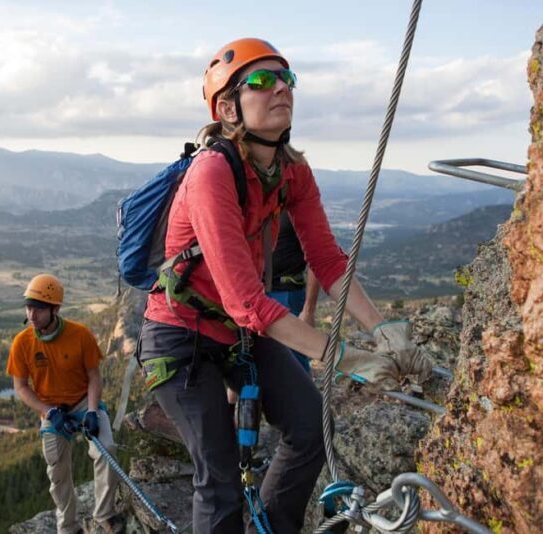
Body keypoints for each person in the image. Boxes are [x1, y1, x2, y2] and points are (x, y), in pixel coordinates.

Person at [138, 38, 433, 533]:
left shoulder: (291, 171)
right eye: (261, 81)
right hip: (179, 336)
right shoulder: (212, 172)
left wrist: (385, 331)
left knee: (310, 428)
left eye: (286, 79)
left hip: (235, 332)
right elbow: (247, 301)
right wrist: (349, 358)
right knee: (219, 477)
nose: (280, 88)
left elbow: (328, 260)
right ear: (228, 107)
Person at [6, 274, 124, 534]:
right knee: (58, 472)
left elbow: (94, 376)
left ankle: (104, 514)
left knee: (107, 449)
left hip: (84, 403)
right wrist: (48, 412)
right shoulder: (22, 343)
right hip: (51, 409)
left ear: (55, 309)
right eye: (29, 307)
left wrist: (92, 411)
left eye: (39, 308)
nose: (32, 314)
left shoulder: (79, 335)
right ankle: (68, 527)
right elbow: (21, 387)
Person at [267, 210, 320, 373]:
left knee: (294, 361)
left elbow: (316, 258)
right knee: (250, 358)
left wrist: (308, 310)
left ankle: (305, 397)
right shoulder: (255, 204)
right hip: (255, 294)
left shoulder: (293, 208)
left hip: (287, 293)